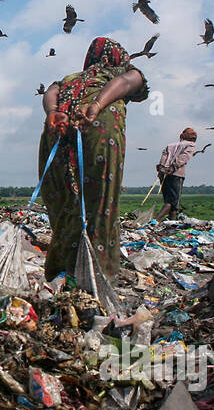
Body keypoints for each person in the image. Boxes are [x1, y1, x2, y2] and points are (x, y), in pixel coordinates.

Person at [39, 38, 149, 284]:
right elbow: (127, 81)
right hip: (97, 133)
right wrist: (97, 105)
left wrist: (52, 113)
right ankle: (95, 278)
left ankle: (61, 272)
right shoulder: (121, 72)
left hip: (58, 133)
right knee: (100, 205)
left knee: (65, 204)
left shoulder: (69, 79)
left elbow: (50, 92)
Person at [156, 128, 197, 220]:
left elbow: (163, 159)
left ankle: (172, 221)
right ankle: (155, 220)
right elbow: (183, 158)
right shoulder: (191, 145)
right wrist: (172, 168)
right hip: (176, 175)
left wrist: (161, 171)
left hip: (164, 174)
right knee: (173, 202)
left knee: (168, 199)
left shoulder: (170, 145)